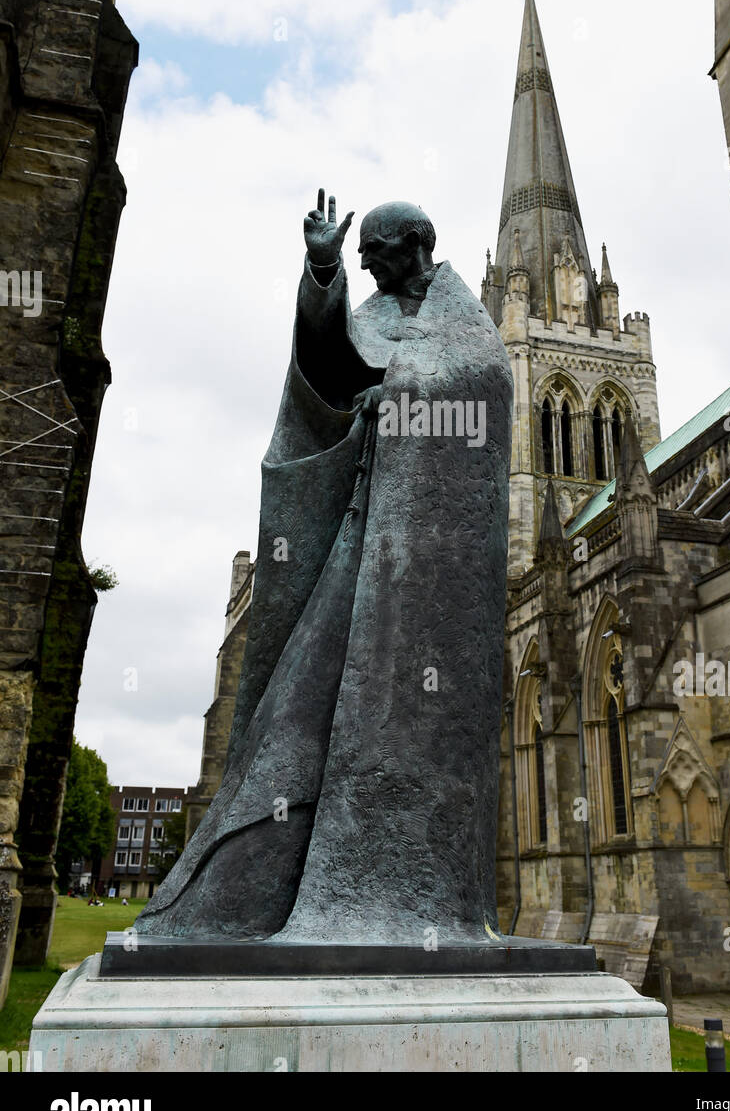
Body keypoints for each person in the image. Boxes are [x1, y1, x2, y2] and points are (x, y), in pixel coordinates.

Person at [136, 193, 512, 947]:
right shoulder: (371, 305)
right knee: (299, 701)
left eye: (373, 251)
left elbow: (481, 389)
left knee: (336, 704)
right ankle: (241, 893)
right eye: (360, 253)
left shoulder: (465, 321)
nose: (366, 262)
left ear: (415, 245)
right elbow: (325, 363)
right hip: (362, 533)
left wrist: (397, 397)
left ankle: (392, 895)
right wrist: (321, 268)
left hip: (421, 573)